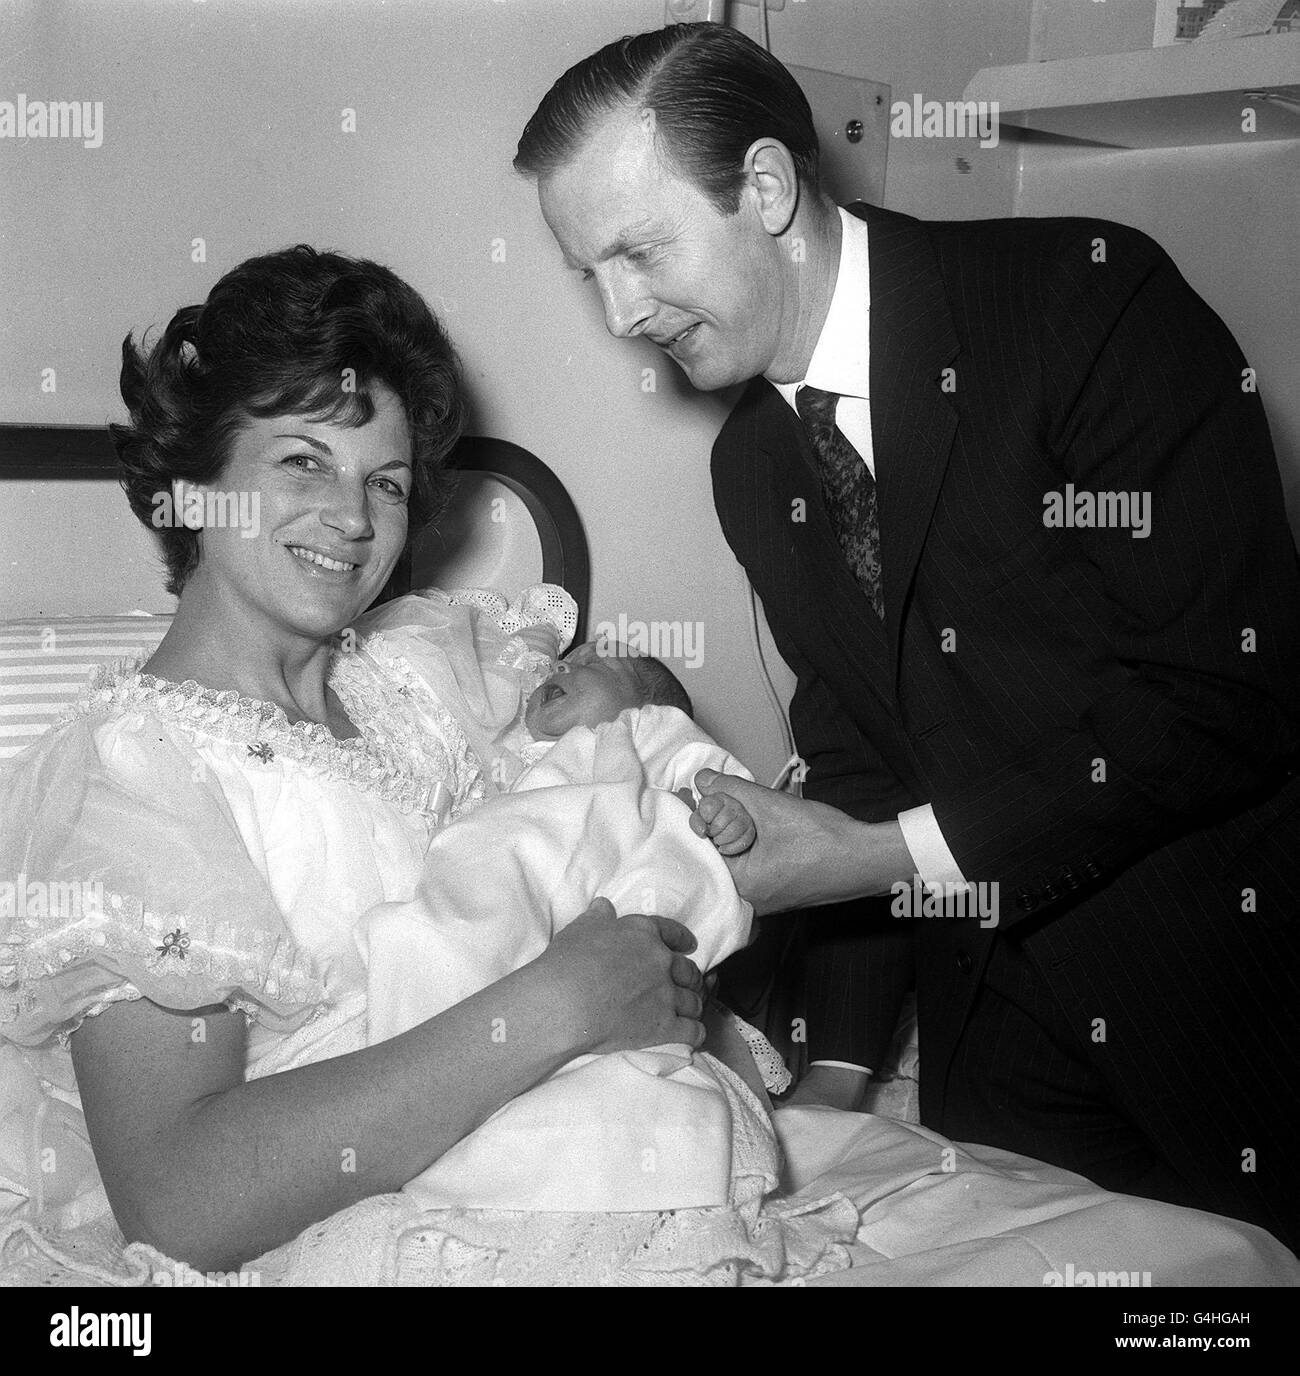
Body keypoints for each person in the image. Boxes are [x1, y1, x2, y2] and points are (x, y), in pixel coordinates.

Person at [514, 21, 1300, 1251]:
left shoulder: (1081, 295)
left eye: (639, 250)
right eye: (588, 272)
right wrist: (836, 1060)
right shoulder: (753, 461)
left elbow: (1221, 696)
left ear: (766, 189)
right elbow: (862, 750)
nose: (619, 312)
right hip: (994, 1036)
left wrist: (884, 854)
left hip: (1223, 992)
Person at [0, 244, 864, 1286]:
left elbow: (605, 767)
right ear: (192, 481)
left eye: (388, 481)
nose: (354, 518)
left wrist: (662, 738)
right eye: (302, 461)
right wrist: (555, 1007)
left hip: (556, 1139)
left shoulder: (428, 669)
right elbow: (181, 1195)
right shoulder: (136, 777)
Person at [360, 625, 789, 1213]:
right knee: (432, 930)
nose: (558, 672)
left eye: (591, 664)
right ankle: (434, 1095)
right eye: (558, 666)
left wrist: (728, 818)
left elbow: (717, 786)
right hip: (525, 886)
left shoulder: (648, 734)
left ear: (647, 701)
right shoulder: (509, 766)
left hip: (611, 890)